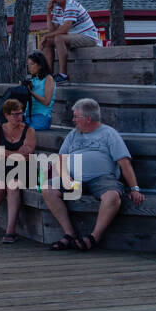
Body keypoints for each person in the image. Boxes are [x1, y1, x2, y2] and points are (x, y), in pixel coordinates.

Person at [43, 98, 144, 251]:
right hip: (74, 180)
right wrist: (64, 176)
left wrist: (135, 188)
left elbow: (124, 162)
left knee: (112, 196)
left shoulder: (109, 134)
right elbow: (61, 159)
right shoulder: (73, 134)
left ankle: (94, 237)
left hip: (102, 179)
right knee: (47, 188)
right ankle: (69, 234)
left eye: (76, 116)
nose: (73, 120)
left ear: (88, 119)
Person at [0, 98, 36, 243]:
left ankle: (10, 230)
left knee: (12, 185)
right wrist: (16, 153)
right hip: (3, 167)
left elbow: (27, 156)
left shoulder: (29, 130)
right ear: (7, 115)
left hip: (26, 169)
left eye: (21, 113)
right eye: (15, 114)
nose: (19, 117)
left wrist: (5, 152)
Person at [39, 0, 100, 84]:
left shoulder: (70, 5)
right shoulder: (58, 9)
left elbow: (64, 29)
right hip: (73, 37)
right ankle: (48, 76)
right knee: (48, 42)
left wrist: (46, 36)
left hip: (88, 37)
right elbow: (52, 30)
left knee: (58, 38)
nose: (53, 0)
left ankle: (63, 75)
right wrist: (48, 13)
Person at [25, 51, 55, 131]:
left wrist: (30, 92)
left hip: (42, 116)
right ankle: (0, 145)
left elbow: (47, 102)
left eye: (32, 64)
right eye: (28, 64)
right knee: (5, 128)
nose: (29, 67)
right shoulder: (33, 80)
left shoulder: (48, 79)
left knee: (23, 131)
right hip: (28, 115)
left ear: (40, 65)